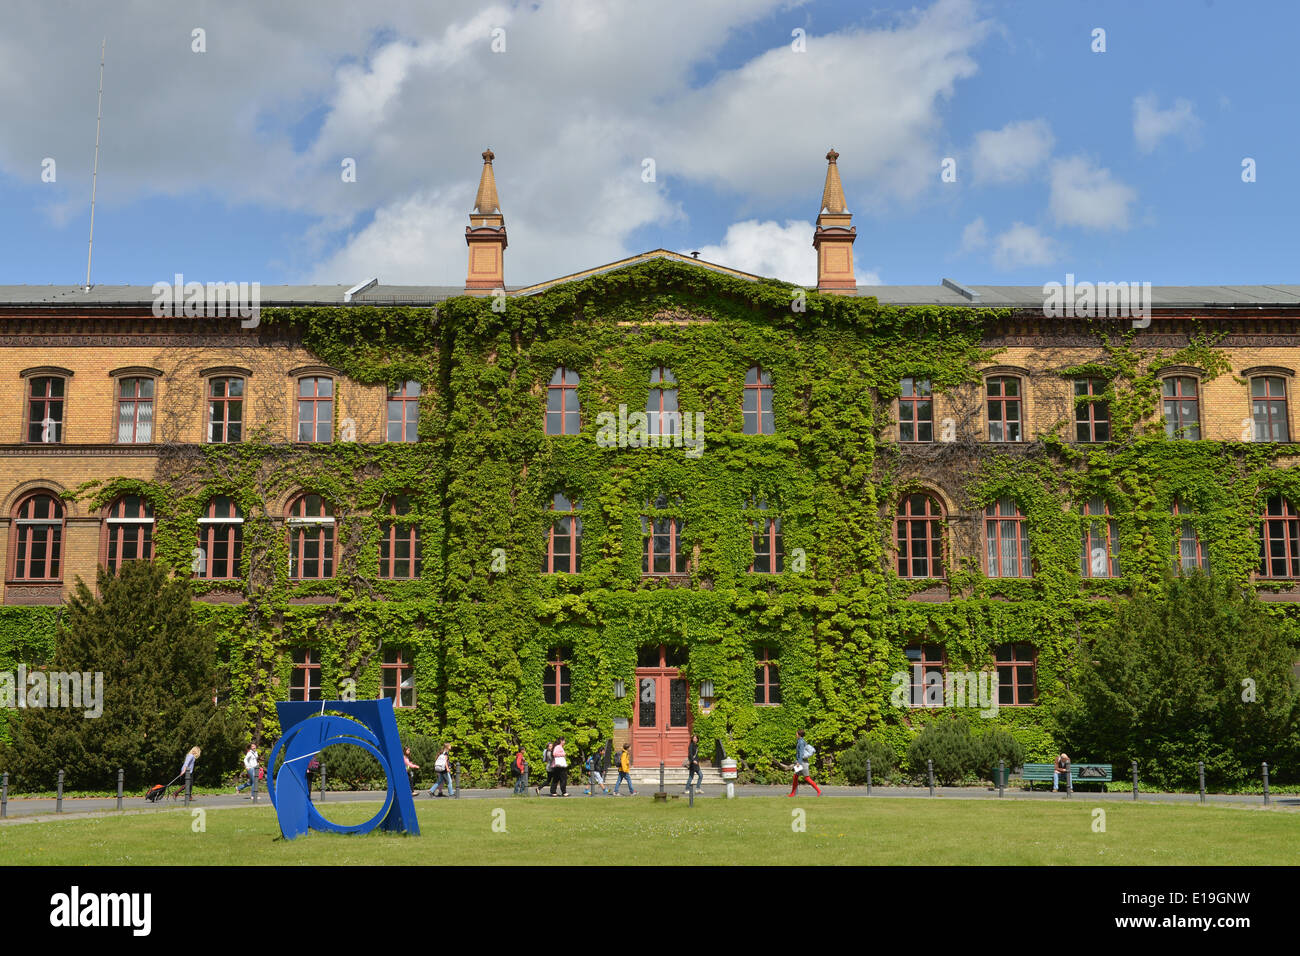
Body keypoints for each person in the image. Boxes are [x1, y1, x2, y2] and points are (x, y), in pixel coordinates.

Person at [789, 730, 821, 796]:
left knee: (807, 778)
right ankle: (793, 793)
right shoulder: (801, 741)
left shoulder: (801, 742)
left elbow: (801, 753)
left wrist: (799, 763)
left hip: (802, 763)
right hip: (801, 762)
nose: (796, 734)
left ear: (799, 735)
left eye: (796, 733)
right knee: (795, 776)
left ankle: (819, 791)